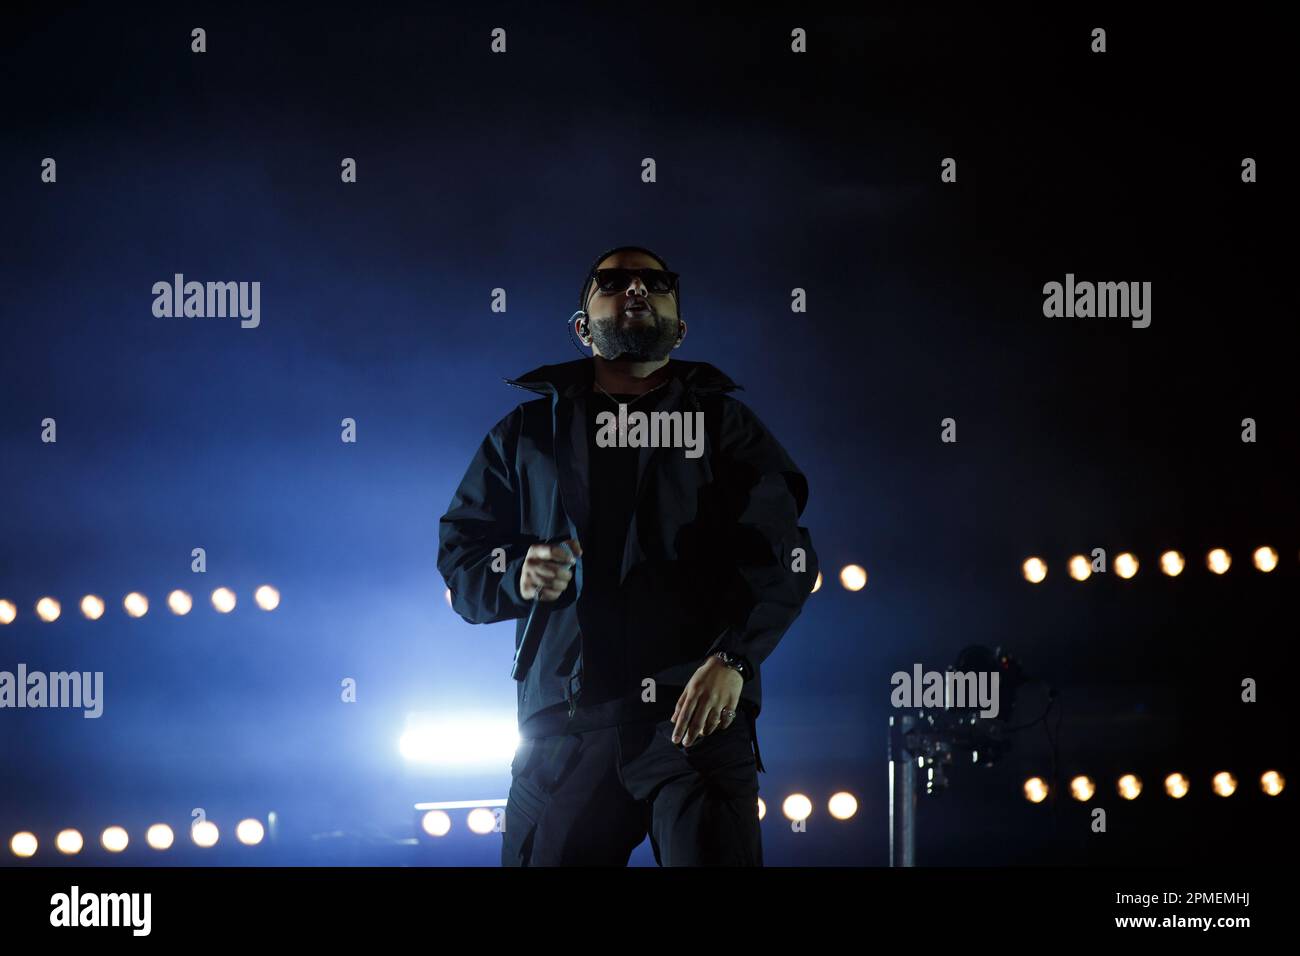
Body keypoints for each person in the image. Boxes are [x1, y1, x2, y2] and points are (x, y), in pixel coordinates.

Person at [438, 245, 817, 865]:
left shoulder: (725, 426)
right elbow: (462, 559)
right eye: (613, 281)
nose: (636, 288)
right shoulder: (527, 433)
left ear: (680, 326)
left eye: (656, 282)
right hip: (564, 724)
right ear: (582, 327)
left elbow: (786, 560)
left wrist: (735, 659)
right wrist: (517, 572)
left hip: (694, 720)